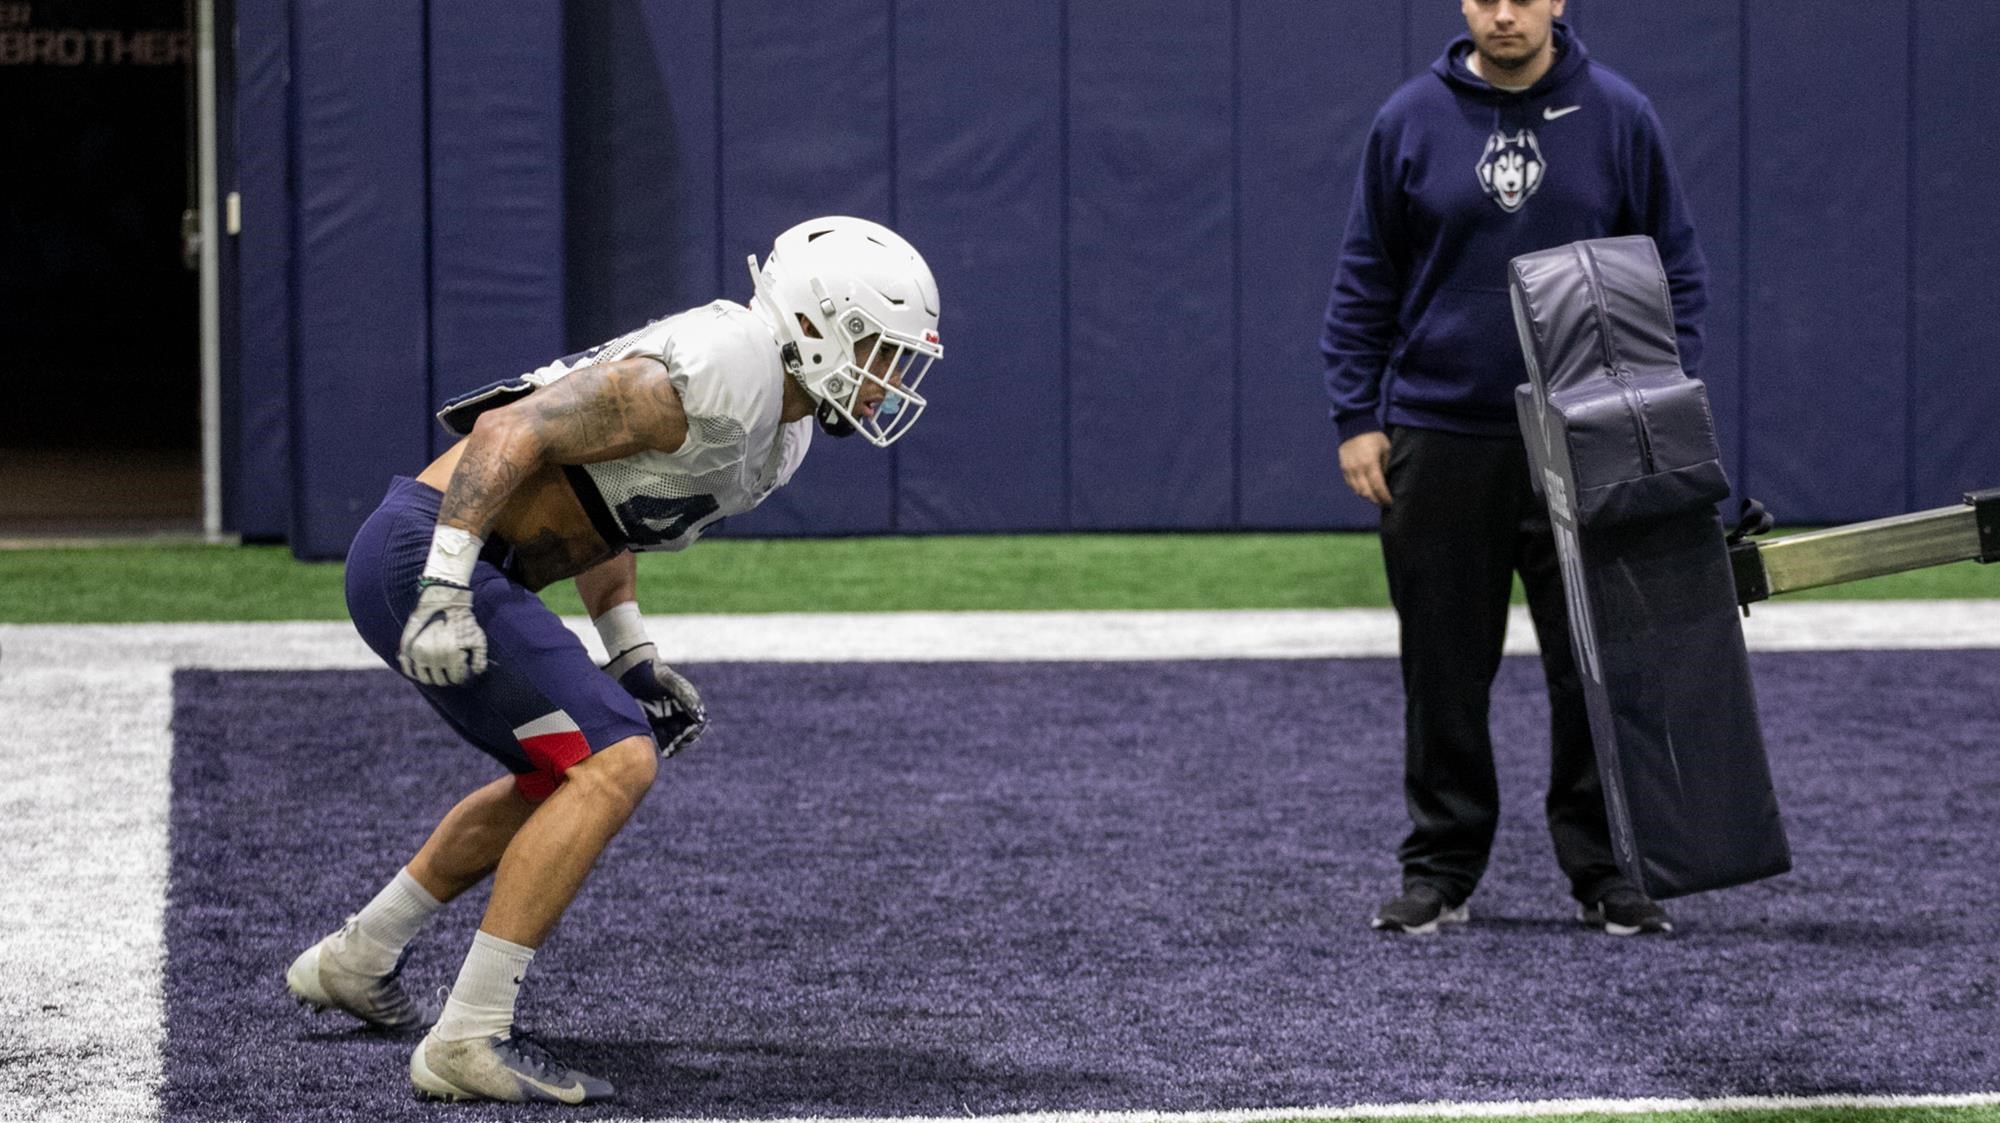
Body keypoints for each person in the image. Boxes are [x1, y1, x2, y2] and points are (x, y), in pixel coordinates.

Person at [285, 216, 943, 1104]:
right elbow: (507, 434)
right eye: (877, 347)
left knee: (568, 770)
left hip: (474, 559)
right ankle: (468, 1036)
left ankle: (357, 956)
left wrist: (631, 653)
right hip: (430, 548)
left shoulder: (776, 433)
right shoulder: (726, 365)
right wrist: (444, 585)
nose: (887, 378)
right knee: (614, 760)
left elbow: (609, 507)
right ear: (815, 324)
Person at [1321, 0, 1706, 936]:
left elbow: (1675, 271)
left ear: (1557, 2)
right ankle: (1441, 868)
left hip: (1587, 435)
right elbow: (1365, 273)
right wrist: (1357, 418)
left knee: (1597, 667)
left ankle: (1609, 870)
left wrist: (1657, 408)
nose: (1503, 13)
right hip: (1439, 432)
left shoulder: (1621, 115)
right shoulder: (1408, 119)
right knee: (1444, 667)